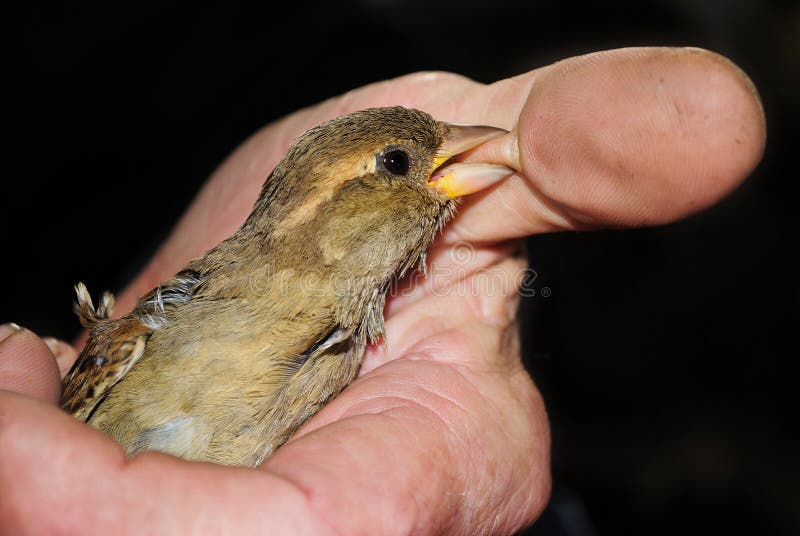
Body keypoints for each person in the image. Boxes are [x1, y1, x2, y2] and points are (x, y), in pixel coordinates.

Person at [0, 47, 765, 534]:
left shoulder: (343, 340)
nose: (461, 154)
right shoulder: (170, 326)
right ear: (330, 213)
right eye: (398, 164)